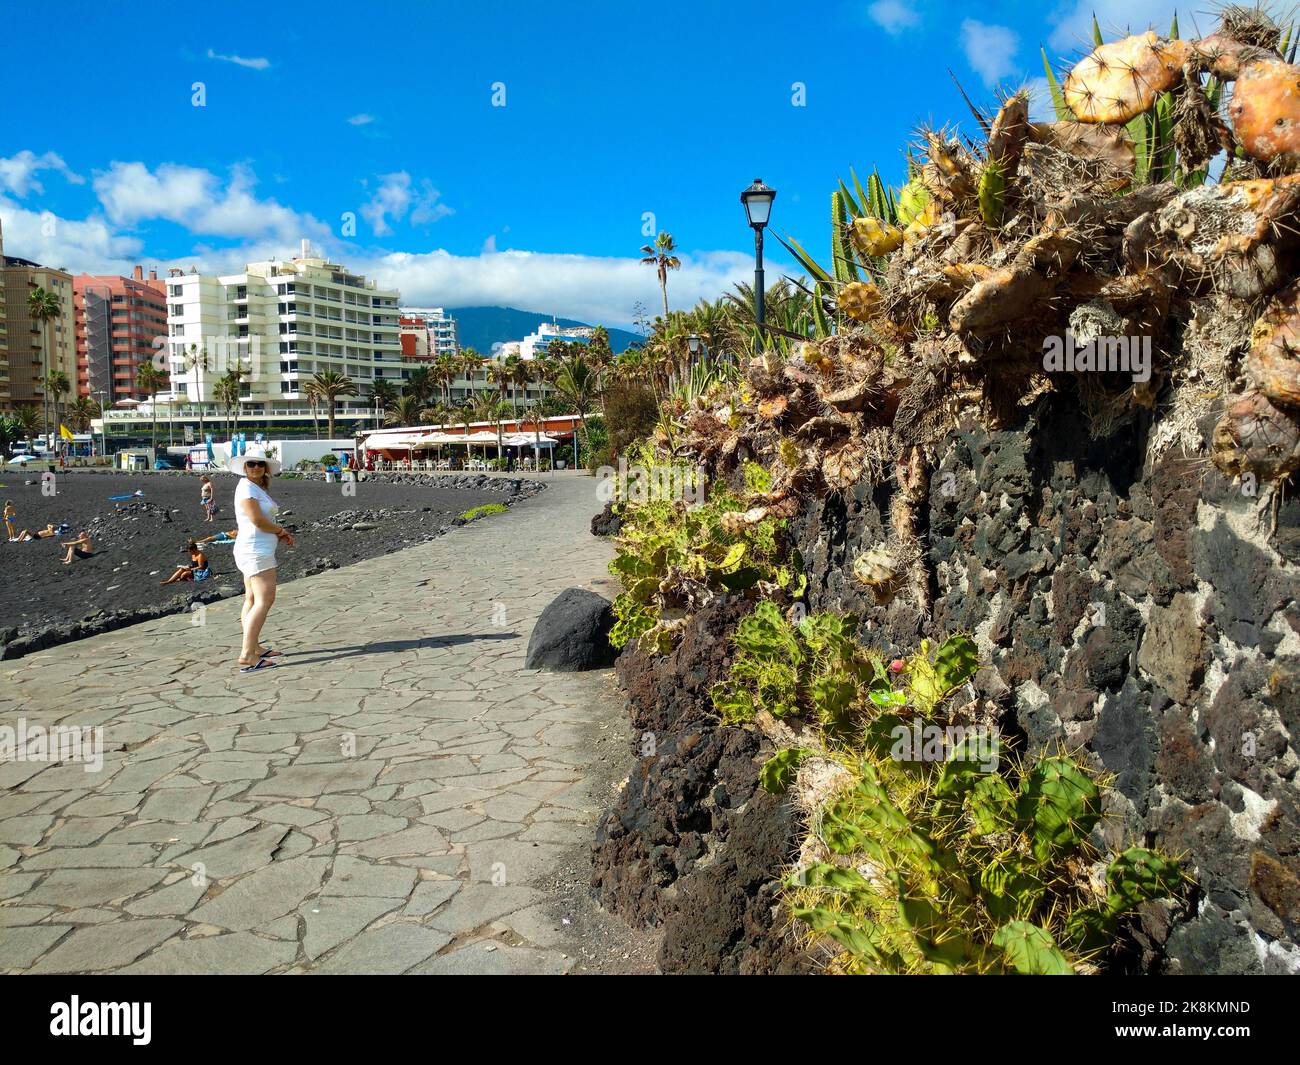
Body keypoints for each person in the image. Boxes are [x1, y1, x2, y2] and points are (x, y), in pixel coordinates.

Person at [230, 445, 294, 673]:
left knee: (251, 598)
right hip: (255, 551)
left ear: (265, 467)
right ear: (245, 467)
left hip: (254, 549)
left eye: (259, 464)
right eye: (251, 464)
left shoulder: (254, 488)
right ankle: (247, 655)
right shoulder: (246, 488)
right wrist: (280, 530)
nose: (256, 467)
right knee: (265, 600)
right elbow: (257, 520)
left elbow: (258, 521)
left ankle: (254, 647)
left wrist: (279, 531)